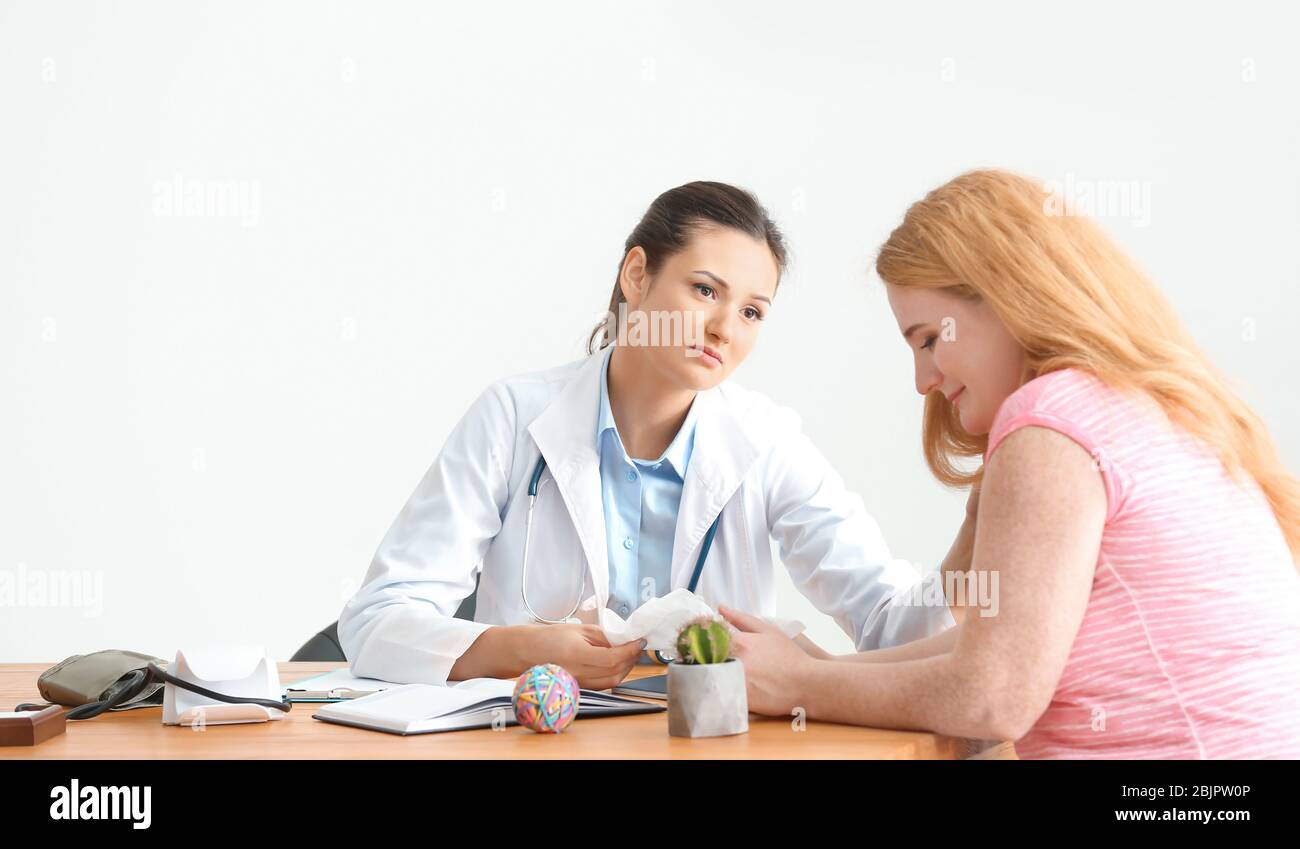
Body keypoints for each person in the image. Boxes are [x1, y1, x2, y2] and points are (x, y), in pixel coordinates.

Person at [724, 169, 1300, 758]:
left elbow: (993, 696)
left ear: (1009, 296)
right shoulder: (1152, 412)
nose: (923, 381)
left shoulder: (1052, 418)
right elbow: (994, 645)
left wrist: (798, 684)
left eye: (927, 340)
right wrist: (827, 670)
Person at [338, 181, 959, 689]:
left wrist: (987, 520)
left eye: (751, 312)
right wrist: (517, 648)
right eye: (705, 290)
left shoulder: (766, 442)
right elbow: (377, 621)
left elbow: (890, 625)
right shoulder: (513, 415)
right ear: (637, 274)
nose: (723, 329)